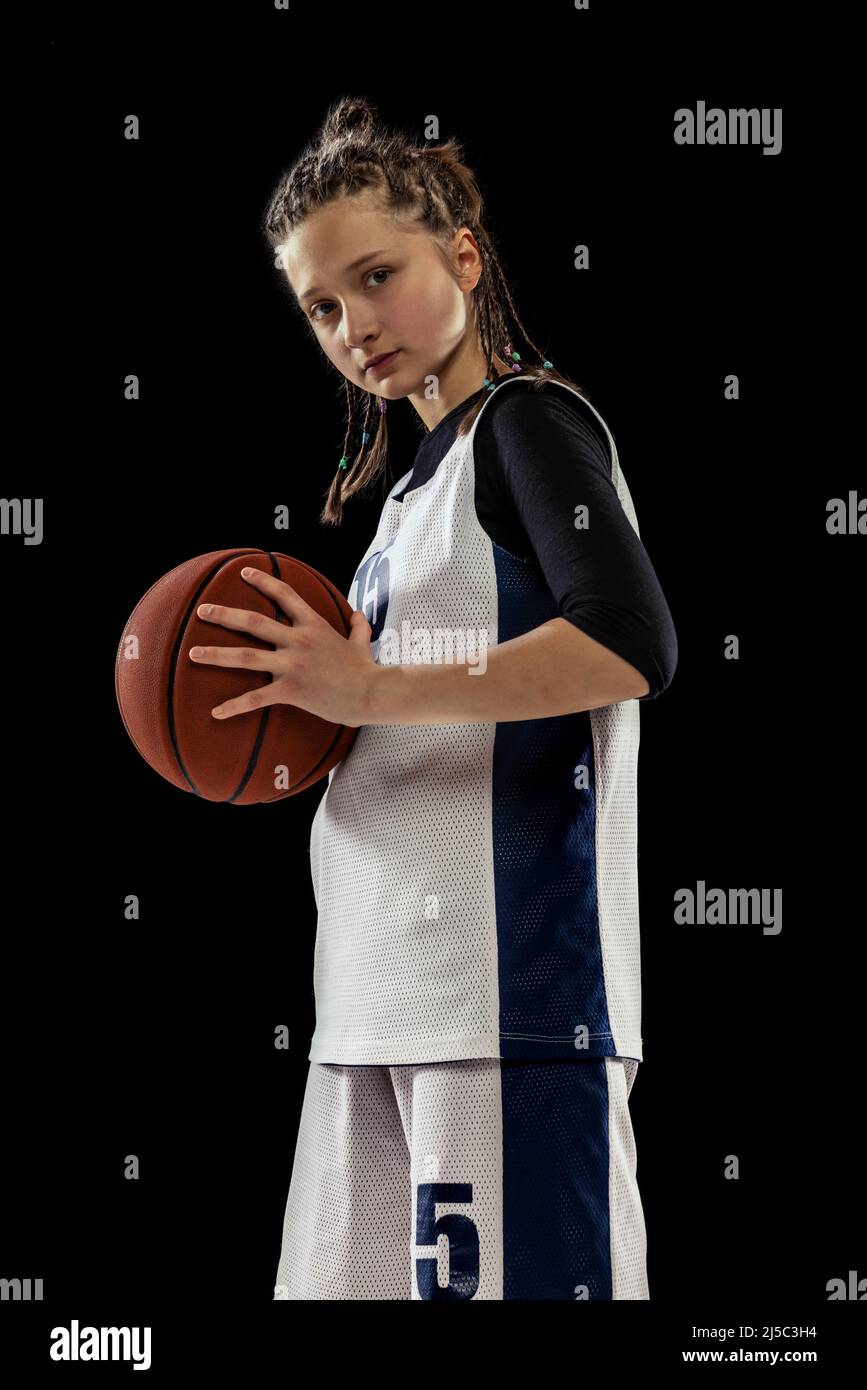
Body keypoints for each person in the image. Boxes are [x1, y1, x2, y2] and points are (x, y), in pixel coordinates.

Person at [260, 96, 678, 1300]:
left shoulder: (530, 425)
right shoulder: (398, 506)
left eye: (377, 276)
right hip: (368, 1006)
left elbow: (632, 638)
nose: (354, 327)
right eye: (323, 308)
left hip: (506, 1009)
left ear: (463, 254)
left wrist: (374, 685)